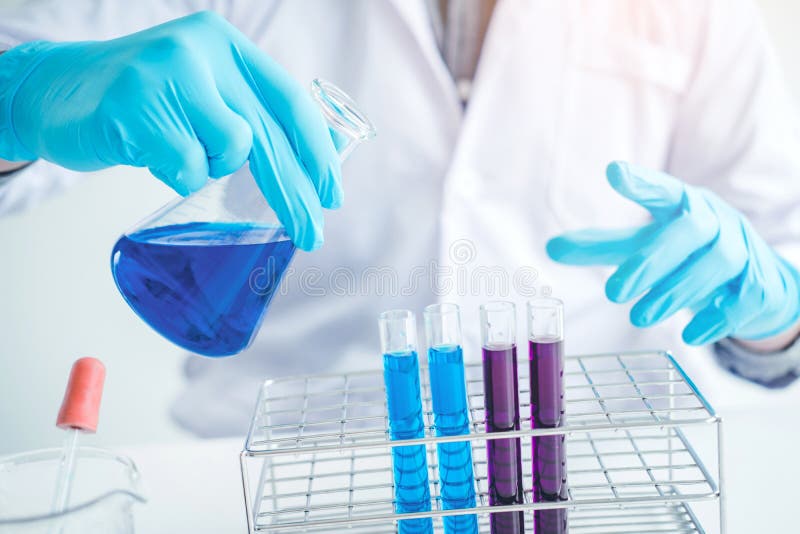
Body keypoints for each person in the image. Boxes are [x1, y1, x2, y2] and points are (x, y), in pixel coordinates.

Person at [0, 0, 799, 437]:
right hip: (283, 470)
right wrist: (24, 97)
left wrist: (775, 316)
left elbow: (781, 247)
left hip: (590, 471)